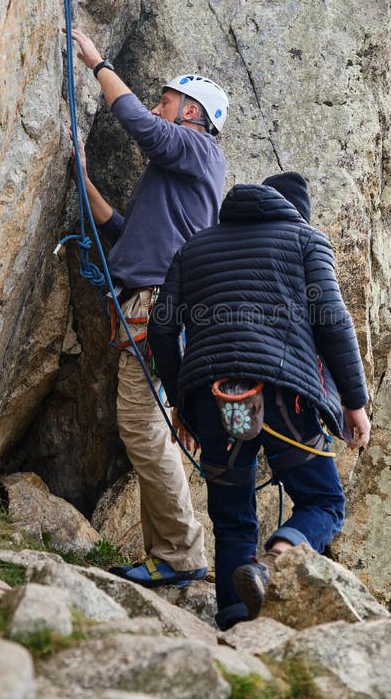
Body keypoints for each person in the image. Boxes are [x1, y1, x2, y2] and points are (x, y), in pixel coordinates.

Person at [147, 172, 371, 628]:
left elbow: (161, 329)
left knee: (231, 519)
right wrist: (355, 401)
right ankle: (273, 562)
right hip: (282, 395)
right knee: (325, 502)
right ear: (297, 211)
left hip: (213, 402)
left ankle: (232, 619)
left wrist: (182, 401)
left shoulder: (194, 248)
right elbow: (332, 320)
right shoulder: (306, 240)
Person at [66, 27, 228, 587]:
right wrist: (83, 180)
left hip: (159, 307)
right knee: (146, 429)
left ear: (193, 113)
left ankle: (181, 554)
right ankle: (168, 555)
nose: (158, 107)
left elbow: (141, 125)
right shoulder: (175, 175)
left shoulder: (201, 150)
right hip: (150, 303)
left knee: (142, 427)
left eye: (166, 100)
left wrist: (97, 64)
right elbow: (125, 232)